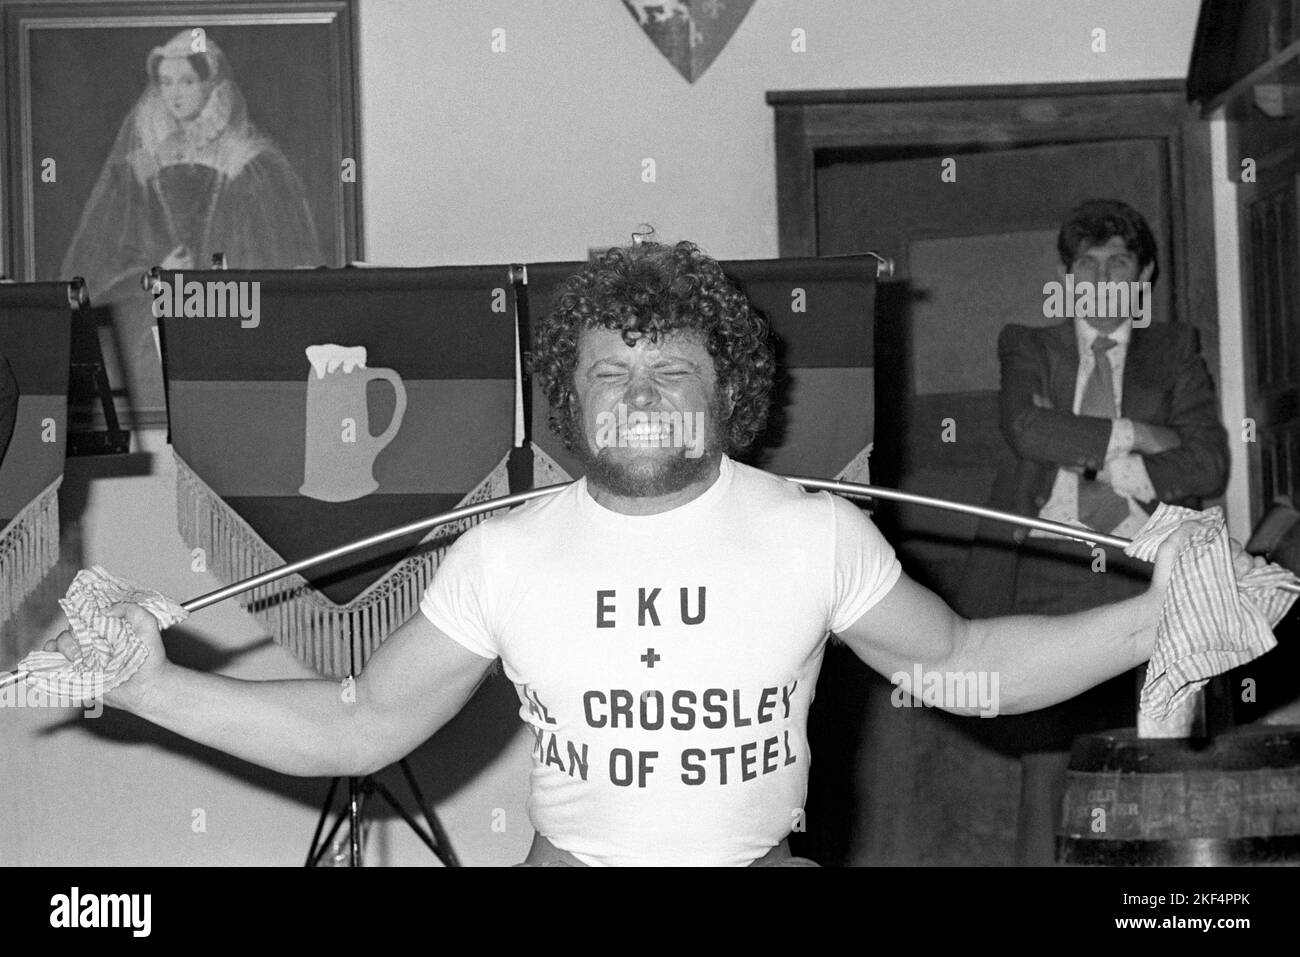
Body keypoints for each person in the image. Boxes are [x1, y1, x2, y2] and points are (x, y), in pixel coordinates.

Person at [50, 239, 1226, 866]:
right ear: (571, 399)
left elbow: (966, 660)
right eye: (611, 371)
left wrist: (1159, 613)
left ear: (733, 391)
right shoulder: (502, 555)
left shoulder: (816, 531)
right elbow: (360, 723)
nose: (641, 393)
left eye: (674, 369)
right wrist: (151, 684)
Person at [957, 199, 1230, 864]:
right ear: (1067, 274)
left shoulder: (1174, 350)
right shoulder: (1029, 343)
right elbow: (1025, 427)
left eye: (1119, 262)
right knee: (1051, 771)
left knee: (1147, 763)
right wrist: (1139, 435)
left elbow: (1208, 461)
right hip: (1052, 571)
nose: (1102, 276)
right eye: (1088, 263)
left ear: (1145, 274)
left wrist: (1094, 450)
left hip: (1144, 574)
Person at [60, 29, 321, 406]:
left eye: (187, 81)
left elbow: (274, 262)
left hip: (226, 318)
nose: (175, 93)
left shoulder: (253, 163)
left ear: (210, 83)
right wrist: (154, 272)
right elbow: (100, 261)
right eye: (166, 82)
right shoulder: (139, 165)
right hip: (153, 322)